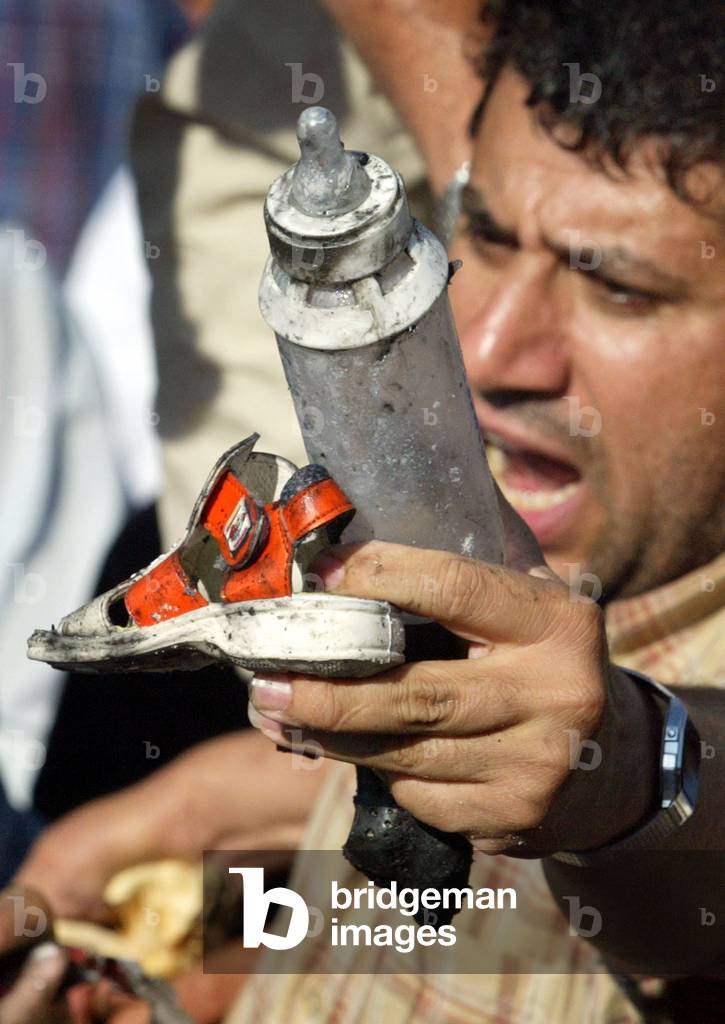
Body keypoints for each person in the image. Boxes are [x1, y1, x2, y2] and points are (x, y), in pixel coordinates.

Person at [3, 0, 724, 1021]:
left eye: (613, 288)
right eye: (480, 229)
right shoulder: (451, 561)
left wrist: (630, 774)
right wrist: (188, 912)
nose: (484, 349)